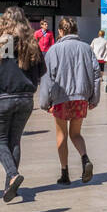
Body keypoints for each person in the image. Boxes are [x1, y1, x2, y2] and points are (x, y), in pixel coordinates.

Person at [0, 7, 45, 203]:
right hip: (24, 97)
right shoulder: (30, 42)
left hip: (0, 97)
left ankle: (13, 175)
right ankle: (10, 186)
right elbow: (41, 69)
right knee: (14, 140)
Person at [39, 17, 99, 185]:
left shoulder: (53, 50)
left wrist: (45, 103)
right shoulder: (86, 48)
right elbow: (96, 74)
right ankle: (85, 158)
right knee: (76, 133)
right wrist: (94, 98)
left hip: (61, 98)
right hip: (80, 98)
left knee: (61, 134)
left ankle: (64, 173)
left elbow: (47, 78)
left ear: (60, 31)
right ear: (75, 31)